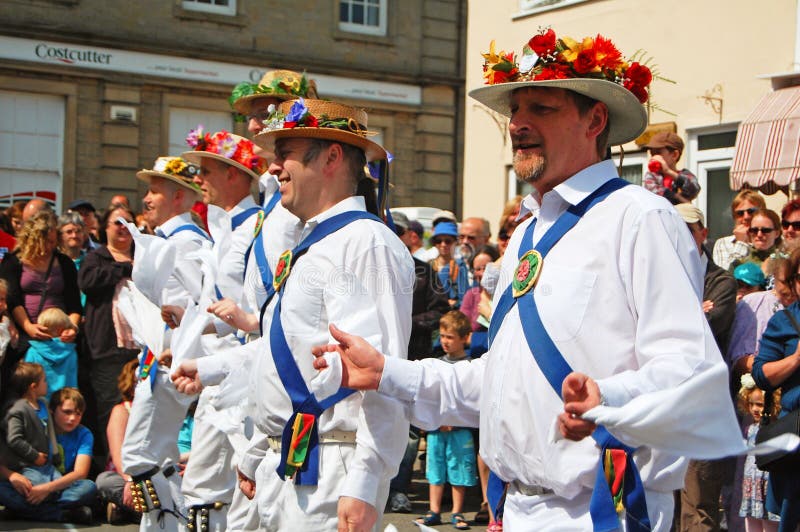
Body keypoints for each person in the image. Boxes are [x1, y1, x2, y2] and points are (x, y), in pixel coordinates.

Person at [311, 29, 747, 530]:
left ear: (595, 119)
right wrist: (386, 372)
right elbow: (501, 381)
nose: (517, 124)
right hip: (516, 509)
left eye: (541, 107)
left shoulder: (641, 218)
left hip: (601, 512)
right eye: (515, 110)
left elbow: (689, 371)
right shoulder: (525, 234)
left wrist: (609, 400)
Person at [173, 97, 414, 531]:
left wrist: (364, 483)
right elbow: (284, 352)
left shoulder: (366, 243)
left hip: (333, 469)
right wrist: (253, 447)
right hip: (291, 458)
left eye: (285, 154)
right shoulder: (314, 244)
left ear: (332, 158)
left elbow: (382, 376)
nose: (272, 167)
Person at [674, 203, 738, 531]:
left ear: (703, 233)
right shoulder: (658, 278)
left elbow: (708, 330)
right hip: (664, 402)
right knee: (660, 501)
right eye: (674, 227)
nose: (681, 235)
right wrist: (694, 313)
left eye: (688, 228)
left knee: (698, 505)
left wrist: (678, 318)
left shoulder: (721, 282)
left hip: (702, 405)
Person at [78, 205, 138, 466]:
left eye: (128, 222)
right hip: (107, 348)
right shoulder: (96, 257)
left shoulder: (143, 255)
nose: (122, 227)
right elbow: (88, 282)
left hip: (140, 348)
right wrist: (124, 269)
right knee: (109, 409)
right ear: (105, 228)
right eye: (117, 223)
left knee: (138, 410)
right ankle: (113, 468)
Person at [0, 364, 95, 523]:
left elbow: (80, 473)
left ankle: (23, 511)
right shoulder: (35, 421)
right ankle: (61, 514)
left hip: (57, 486)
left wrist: (45, 490)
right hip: (31, 481)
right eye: (67, 412)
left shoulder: (83, 434)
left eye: (78, 414)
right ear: (52, 410)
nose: (72, 419)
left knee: (88, 487)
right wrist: (13, 476)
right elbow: (12, 443)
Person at [0, 210, 81, 393]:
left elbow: (74, 304)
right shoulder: (13, 262)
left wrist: (71, 327)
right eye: (43, 242)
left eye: (52, 242)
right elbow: (12, 299)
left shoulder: (64, 263)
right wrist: (28, 326)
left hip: (58, 340)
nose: (48, 248)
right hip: (26, 338)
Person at [752, 247, 800, 530]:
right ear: (793, 282)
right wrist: (795, 359)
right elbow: (761, 375)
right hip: (796, 443)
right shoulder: (784, 322)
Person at [417, 311, 477, 531]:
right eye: (442, 336)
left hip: (460, 430)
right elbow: (430, 396)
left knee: (459, 469)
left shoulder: (471, 366)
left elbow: (470, 399)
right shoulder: (436, 364)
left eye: (450, 337)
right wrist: (432, 421)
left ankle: (457, 512)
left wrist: (457, 420)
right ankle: (434, 510)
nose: (445, 341)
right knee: (435, 470)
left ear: (464, 338)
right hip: (437, 428)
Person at [96, 358, 140, 524]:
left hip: (157, 473)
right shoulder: (122, 410)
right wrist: (131, 480)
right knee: (105, 481)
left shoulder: (162, 408)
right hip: (127, 475)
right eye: (137, 383)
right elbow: (117, 455)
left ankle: (129, 511)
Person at [737, 374, 780, 531]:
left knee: (770, 523)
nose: (755, 409)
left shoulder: (774, 428)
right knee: (751, 521)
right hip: (752, 483)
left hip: (767, 483)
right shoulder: (750, 429)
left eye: (760, 405)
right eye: (752, 404)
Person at [24, 307, 78, 400]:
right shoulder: (71, 352)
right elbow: (72, 380)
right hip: (64, 402)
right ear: (62, 329)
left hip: (39, 402)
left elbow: (26, 380)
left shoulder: (33, 351)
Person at [714, 191, 767, 271]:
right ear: (734, 217)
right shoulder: (724, 243)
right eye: (740, 213)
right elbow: (725, 276)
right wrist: (741, 244)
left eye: (751, 211)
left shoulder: (769, 239)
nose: (746, 217)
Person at [642, 132, 700, 204]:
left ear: (675, 155)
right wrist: (679, 198)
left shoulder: (685, 174)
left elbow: (694, 189)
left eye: (658, 153)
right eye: (652, 154)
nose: (654, 157)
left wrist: (668, 171)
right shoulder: (651, 176)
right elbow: (656, 194)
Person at [430, 221, 470, 309]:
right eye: (438, 241)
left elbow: (465, 297)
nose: (443, 244)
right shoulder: (428, 265)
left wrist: (454, 303)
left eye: (448, 241)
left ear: (456, 242)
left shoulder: (460, 266)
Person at [460, 245, 500, 333]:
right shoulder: (470, 295)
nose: (482, 273)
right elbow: (462, 331)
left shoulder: (505, 294)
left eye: (486, 268)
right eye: (478, 269)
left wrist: (489, 314)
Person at [731, 208, 782, 274]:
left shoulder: (786, 262)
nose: (759, 234)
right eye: (754, 230)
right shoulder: (739, 263)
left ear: (777, 233)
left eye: (765, 230)